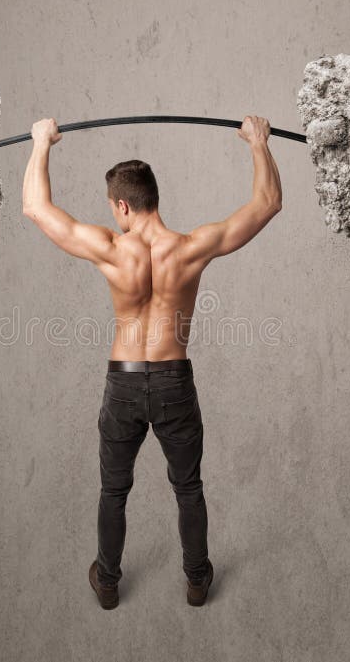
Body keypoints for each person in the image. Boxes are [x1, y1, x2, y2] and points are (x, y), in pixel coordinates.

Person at [21, 115, 283, 609]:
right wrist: (258, 144)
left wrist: (41, 144)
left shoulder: (111, 249)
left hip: (122, 384)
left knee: (113, 491)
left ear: (122, 205)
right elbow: (268, 203)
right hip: (172, 380)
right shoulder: (189, 248)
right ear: (153, 198)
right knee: (188, 488)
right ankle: (197, 579)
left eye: (113, 208)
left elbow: (35, 206)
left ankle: (109, 580)